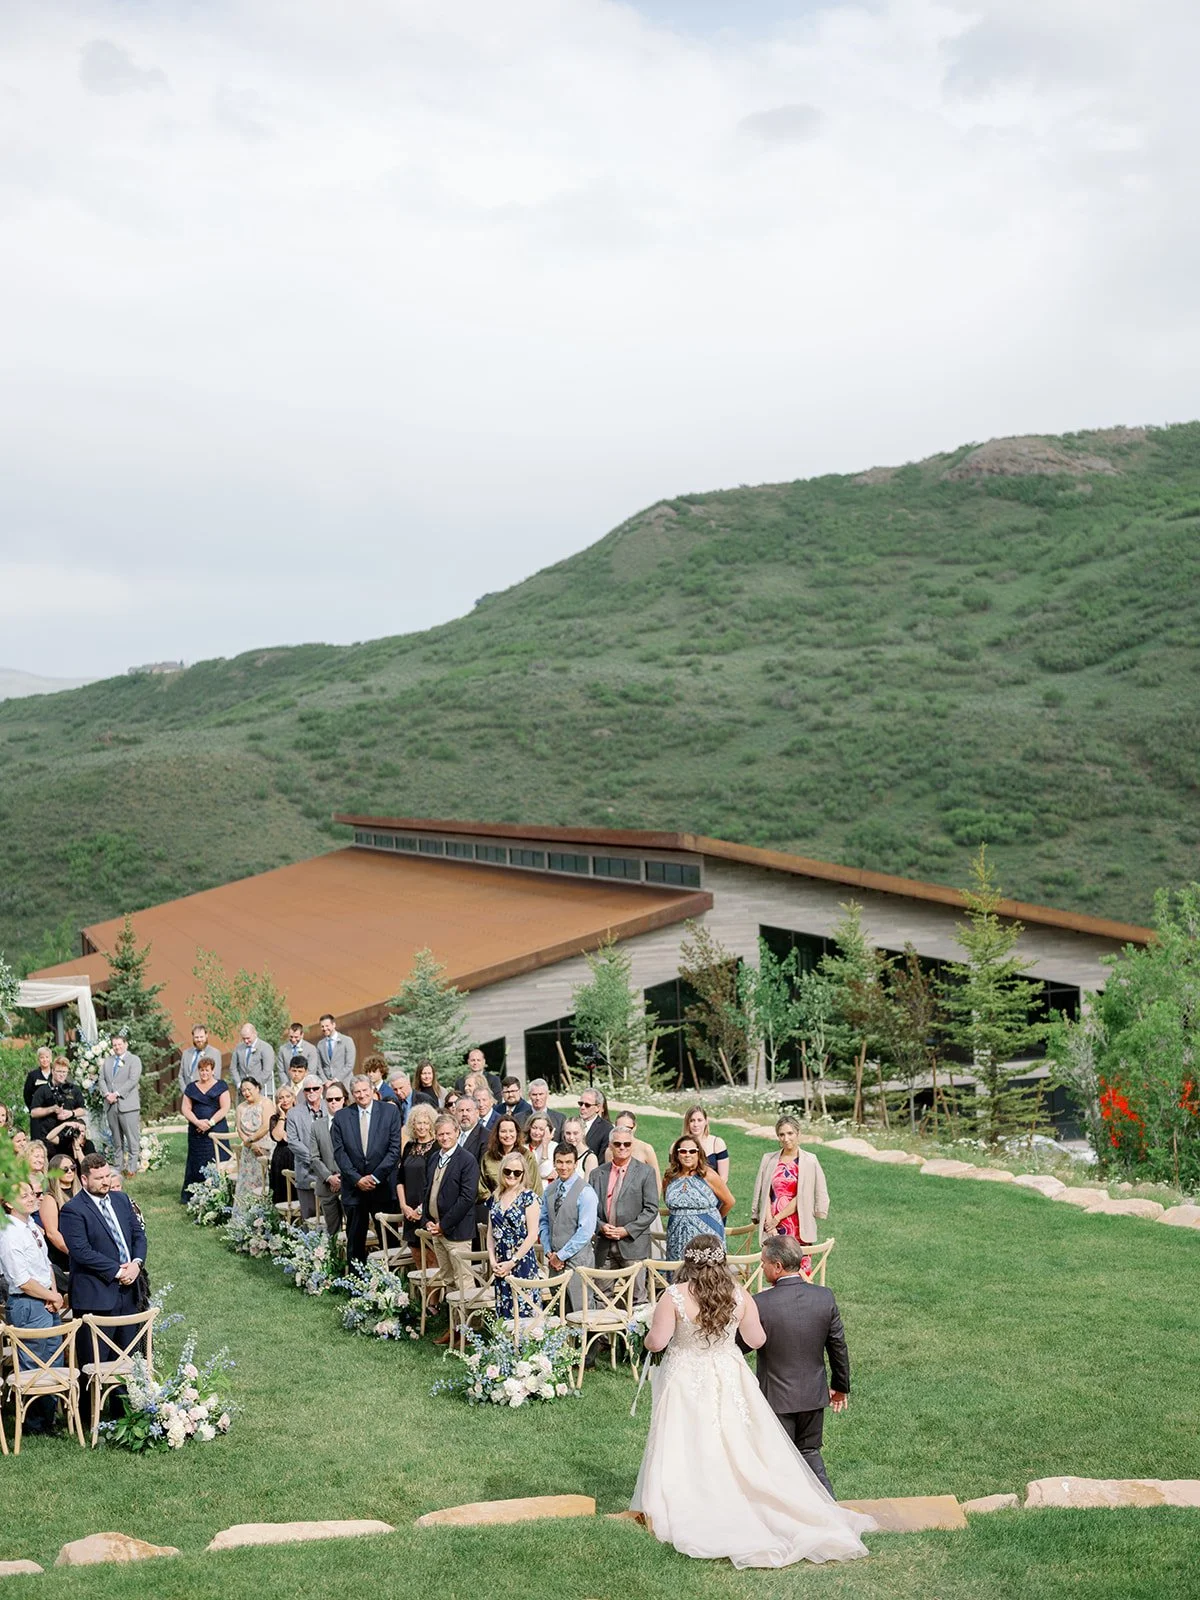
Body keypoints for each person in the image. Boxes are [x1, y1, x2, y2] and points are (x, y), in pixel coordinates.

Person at [632, 1234, 873, 1568]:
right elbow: (757, 1338)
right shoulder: (739, 1294)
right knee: (736, 1440)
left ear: (688, 1262)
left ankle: (697, 1500)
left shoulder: (673, 1297)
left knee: (688, 1439)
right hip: (729, 1375)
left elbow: (657, 1343)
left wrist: (644, 1333)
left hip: (687, 1377)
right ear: (720, 1261)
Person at [747, 1235, 852, 1495]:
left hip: (776, 1399)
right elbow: (838, 1346)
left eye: (764, 1263)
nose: (762, 1267)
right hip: (813, 1396)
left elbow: (743, 1345)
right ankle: (829, 1509)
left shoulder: (761, 1304)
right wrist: (840, 1387)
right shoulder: (824, 1297)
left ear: (778, 1266)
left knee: (777, 1460)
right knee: (809, 1453)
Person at [61, 1154, 149, 1367]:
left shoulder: (121, 1200)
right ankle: (94, 1402)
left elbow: (138, 1235)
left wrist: (136, 1264)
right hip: (96, 1296)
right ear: (84, 1180)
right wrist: (119, 1272)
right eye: (99, 1178)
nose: (106, 1181)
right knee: (95, 1363)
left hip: (129, 1294)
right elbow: (82, 1251)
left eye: (108, 1176)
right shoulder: (73, 1210)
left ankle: (124, 1401)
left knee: (127, 1361)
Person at [0, 1178, 66, 1433]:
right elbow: (22, 1280)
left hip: (46, 1299)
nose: (31, 1198)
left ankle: (49, 1418)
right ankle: (34, 1423)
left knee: (53, 1358)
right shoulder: (8, 1234)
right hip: (27, 1304)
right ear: (7, 1203)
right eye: (23, 1195)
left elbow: (46, 1264)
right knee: (35, 1362)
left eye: (31, 1193)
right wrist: (49, 1297)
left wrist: (53, 1293)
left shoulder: (32, 1226)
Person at [421, 1112, 481, 1343]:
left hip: (456, 1232)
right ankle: (454, 1326)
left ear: (457, 1132)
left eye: (448, 1133)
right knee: (448, 1280)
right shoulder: (434, 1157)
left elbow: (467, 1197)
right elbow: (428, 1189)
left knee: (463, 1280)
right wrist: (427, 1217)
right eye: (440, 1134)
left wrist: (444, 1225)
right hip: (436, 1229)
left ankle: (469, 1331)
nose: (444, 1137)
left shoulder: (466, 1160)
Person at [331, 1075, 402, 1264]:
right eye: (357, 1092)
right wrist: (357, 1179)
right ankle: (357, 1284)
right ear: (352, 1095)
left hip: (383, 1188)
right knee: (355, 1241)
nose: (362, 1095)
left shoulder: (390, 1112)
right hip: (354, 1190)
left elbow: (394, 1150)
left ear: (373, 1090)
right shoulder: (341, 1117)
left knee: (389, 1239)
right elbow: (340, 1153)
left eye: (365, 1090)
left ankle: (392, 1285)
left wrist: (375, 1177)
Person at [751, 1116, 830, 1273]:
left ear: (798, 1133)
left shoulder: (809, 1160)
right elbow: (764, 1191)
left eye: (790, 1133)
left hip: (797, 1222)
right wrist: (769, 1223)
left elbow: (803, 1195)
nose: (786, 1139)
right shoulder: (768, 1159)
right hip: (772, 1223)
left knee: (800, 1270)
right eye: (781, 1135)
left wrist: (777, 1219)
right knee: (774, 1269)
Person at [588, 1128, 659, 1280]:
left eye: (627, 1144)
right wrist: (600, 1226)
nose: (622, 1147)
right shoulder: (597, 1174)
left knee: (637, 1298)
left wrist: (627, 1230)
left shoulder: (646, 1172)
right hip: (604, 1245)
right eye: (618, 1143)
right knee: (602, 1297)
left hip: (633, 1244)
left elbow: (651, 1209)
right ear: (610, 1145)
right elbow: (589, 1210)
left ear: (632, 1145)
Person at [538, 1143, 598, 1313]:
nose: (564, 1167)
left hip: (578, 1262)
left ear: (575, 1163)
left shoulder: (586, 1192)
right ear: (554, 1163)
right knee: (559, 1312)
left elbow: (585, 1231)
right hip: (554, 1262)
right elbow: (543, 1222)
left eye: (568, 1162)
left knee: (582, 1311)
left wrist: (561, 1255)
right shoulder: (550, 1190)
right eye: (560, 1162)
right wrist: (549, 1252)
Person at [664, 1136, 734, 1260]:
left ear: (698, 1153)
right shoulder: (670, 1177)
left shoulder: (708, 1175)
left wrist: (714, 1218)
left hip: (706, 1236)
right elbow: (667, 1200)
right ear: (677, 1154)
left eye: (692, 1151)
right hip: (676, 1236)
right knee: (678, 1273)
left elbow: (729, 1201)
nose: (687, 1155)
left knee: (705, 1275)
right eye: (683, 1151)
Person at [487, 1156, 540, 1319]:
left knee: (524, 1309)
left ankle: (527, 1344)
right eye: (508, 1171)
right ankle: (505, 1344)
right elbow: (490, 1234)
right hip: (501, 1262)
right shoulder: (495, 1197)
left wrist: (513, 1262)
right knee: (504, 1310)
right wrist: (493, 1262)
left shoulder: (529, 1197)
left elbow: (532, 1235)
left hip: (521, 1261)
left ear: (523, 1174)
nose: (512, 1176)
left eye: (517, 1173)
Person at [180, 1054, 232, 1200]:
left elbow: (225, 1107)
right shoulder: (191, 1087)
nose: (204, 1073)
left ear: (213, 1071)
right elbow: (185, 1108)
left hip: (216, 1129)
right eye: (202, 1070)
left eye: (207, 1070)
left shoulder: (221, 1086)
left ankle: (220, 1192)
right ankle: (195, 1193)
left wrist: (210, 1123)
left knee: (218, 1159)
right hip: (196, 1132)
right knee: (196, 1160)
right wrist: (197, 1122)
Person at [100, 1030, 142, 1177]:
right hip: (111, 1105)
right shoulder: (108, 1061)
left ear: (126, 1044)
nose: (117, 1047)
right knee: (116, 1139)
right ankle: (118, 1167)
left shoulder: (134, 1060)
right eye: (114, 1045)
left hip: (128, 1105)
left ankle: (131, 1169)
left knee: (132, 1138)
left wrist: (116, 1094)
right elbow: (102, 1079)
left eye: (119, 1044)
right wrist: (107, 1094)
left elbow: (132, 1080)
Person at [30, 1058, 92, 1158]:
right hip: (48, 1136)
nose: (61, 1074)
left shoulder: (74, 1089)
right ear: (53, 1071)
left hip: (68, 1136)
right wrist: (51, 1109)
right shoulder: (43, 1089)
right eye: (59, 1071)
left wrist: (71, 1113)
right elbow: (33, 1112)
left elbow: (83, 1110)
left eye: (64, 1072)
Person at [478, 1115, 542, 1212]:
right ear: (497, 1134)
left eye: (511, 1131)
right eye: (503, 1131)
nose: (508, 1135)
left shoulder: (527, 1156)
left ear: (517, 1133)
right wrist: (494, 1201)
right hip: (495, 1211)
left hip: (521, 1211)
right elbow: (481, 1186)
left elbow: (536, 1188)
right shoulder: (488, 1157)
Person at [397, 1104, 437, 1248]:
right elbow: (400, 1179)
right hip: (409, 1211)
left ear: (432, 1124)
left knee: (432, 1259)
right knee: (415, 1253)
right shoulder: (409, 1146)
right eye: (418, 1123)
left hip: (428, 1211)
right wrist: (404, 1206)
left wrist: (420, 1209)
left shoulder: (437, 1148)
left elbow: (436, 1183)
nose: (422, 1127)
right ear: (413, 1124)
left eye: (426, 1123)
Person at [309, 1080, 345, 1236]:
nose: (334, 1103)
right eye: (330, 1100)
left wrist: (342, 1178)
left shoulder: (354, 1123)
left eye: (337, 1099)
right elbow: (314, 1157)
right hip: (326, 1186)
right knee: (332, 1232)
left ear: (344, 1099)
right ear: (325, 1101)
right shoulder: (316, 1126)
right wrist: (329, 1177)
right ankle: (334, 1259)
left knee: (354, 1229)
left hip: (349, 1184)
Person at [233, 1077, 275, 1212]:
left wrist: (252, 1139)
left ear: (257, 1088)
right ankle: (246, 1214)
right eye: (243, 1090)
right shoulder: (241, 1107)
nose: (246, 1093)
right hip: (249, 1150)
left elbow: (266, 1126)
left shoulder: (266, 1103)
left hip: (264, 1147)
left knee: (264, 1181)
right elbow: (239, 1129)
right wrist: (250, 1143)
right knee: (247, 1183)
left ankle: (265, 1214)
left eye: (249, 1089)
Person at [38, 1156, 78, 1293]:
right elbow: (52, 1233)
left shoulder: (81, 1193)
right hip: (63, 1254)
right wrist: (73, 1253)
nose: (70, 1171)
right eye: (65, 1169)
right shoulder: (50, 1198)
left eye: (73, 1168)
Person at [287, 1077, 324, 1221]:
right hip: (306, 1172)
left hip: (332, 1173)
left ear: (321, 1089)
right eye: (308, 1089)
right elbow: (293, 1142)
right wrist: (316, 1161)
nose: (311, 1092)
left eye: (315, 1088)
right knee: (310, 1219)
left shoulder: (331, 1107)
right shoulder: (294, 1113)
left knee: (332, 1219)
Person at [607, 1110, 661, 1183]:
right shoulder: (610, 1151)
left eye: (628, 1128)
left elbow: (656, 1179)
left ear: (634, 1127)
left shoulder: (646, 1149)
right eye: (620, 1128)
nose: (624, 1131)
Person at [682, 1104, 730, 1184]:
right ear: (687, 1123)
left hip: (714, 1193)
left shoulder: (717, 1144)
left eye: (699, 1120)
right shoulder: (678, 1146)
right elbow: (674, 1176)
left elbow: (723, 1178)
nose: (695, 1124)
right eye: (692, 1120)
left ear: (706, 1121)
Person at [232, 1023, 277, 1097]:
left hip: (262, 1091)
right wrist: (239, 1084)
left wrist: (254, 1086)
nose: (246, 1041)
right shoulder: (238, 1048)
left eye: (248, 1038)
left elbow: (267, 1071)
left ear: (255, 1034)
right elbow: (233, 1068)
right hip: (244, 1092)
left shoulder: (266, 1047)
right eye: (243, 1039)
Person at [269, 1086, 297, 1203]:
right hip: (281, 1157)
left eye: (287, 1097)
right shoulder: (275, 1118)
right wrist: (282, 1116)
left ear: (293, 1098)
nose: (285, 1100)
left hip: (296, 1155)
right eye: (281, 1098)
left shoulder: (300, 1115)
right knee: (281, 1193)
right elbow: (278, 1137)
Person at [178, 1024, 222, 1093]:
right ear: (193, 1037)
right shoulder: (186, 1053)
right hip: (188, 1096)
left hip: (204, 1096)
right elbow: (181, 1075)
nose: (199, 1040)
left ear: (206, 1036)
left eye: (201, 1037)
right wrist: (186, 1092)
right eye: (196, 1037)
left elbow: (216, 1077)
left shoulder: (214, 1053)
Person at [318, 1014, 356, 1085]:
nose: (324, 1028)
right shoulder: (320, 1044)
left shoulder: (347, 1040)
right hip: (328, 1085)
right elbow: (319, 1066)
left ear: (333, 1025)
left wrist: (336, 1079)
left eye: (327, 1026)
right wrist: (325, 1081)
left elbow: (349, 1064)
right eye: (322, 1026)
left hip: (345, 1082)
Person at [577, 1088, 612, 1163]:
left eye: (587, 1105)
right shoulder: (572, 1124)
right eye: (580, 1104)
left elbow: (603, 1161)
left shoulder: (606, 1129)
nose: (582, 1107)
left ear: (598, 1107)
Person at [455, 1091, 488, 1164]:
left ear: (477, 1113)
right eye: (461, 1110)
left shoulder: (486, 1137)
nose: (464, 1114)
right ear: (455, 1114)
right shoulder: (452, 1135)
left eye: (468, 1110)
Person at [525, 1114, 558, 1184]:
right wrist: (542, 1177)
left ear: (548, 1130)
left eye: (541, 1129)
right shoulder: (523, 1148)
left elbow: (544, 1171)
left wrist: (545, 1146)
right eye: (534, 1128)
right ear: (529, 1128)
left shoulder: (554, 1147)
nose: (537, 1132)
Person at [22, 1045, 55, 1115]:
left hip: (55, 1111)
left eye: (47, 1057)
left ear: (51, 1059)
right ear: (38, 1059)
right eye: (42, 1057)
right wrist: (32, 1109)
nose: (45, 1060)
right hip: (38, 1112)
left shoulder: (56, 1073)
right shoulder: (32, 1075)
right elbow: (27, 1094)